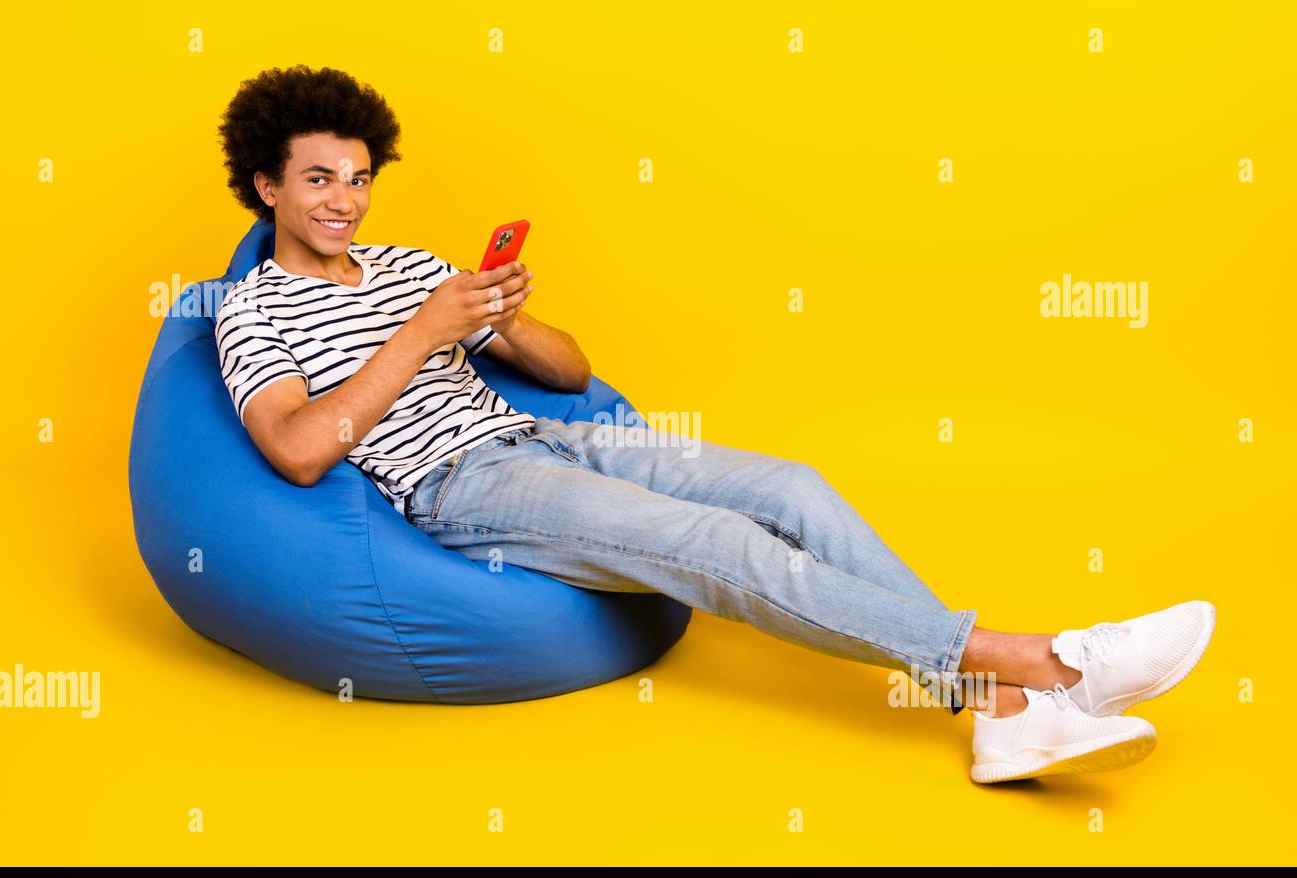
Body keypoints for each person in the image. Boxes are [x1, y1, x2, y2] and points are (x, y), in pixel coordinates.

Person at [213, 65, 1216, 784]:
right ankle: (1047, 662)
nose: (345, 201)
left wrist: (503, 316)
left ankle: (994, 712)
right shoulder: (249, 308)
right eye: (318, 180)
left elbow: (573, 371)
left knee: (788, 485)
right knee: (719, 546)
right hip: (462, 487)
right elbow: (297, 450)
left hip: (539, 434)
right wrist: (421, 334)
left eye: (357, 177)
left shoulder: (412, 265)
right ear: (268, 185)